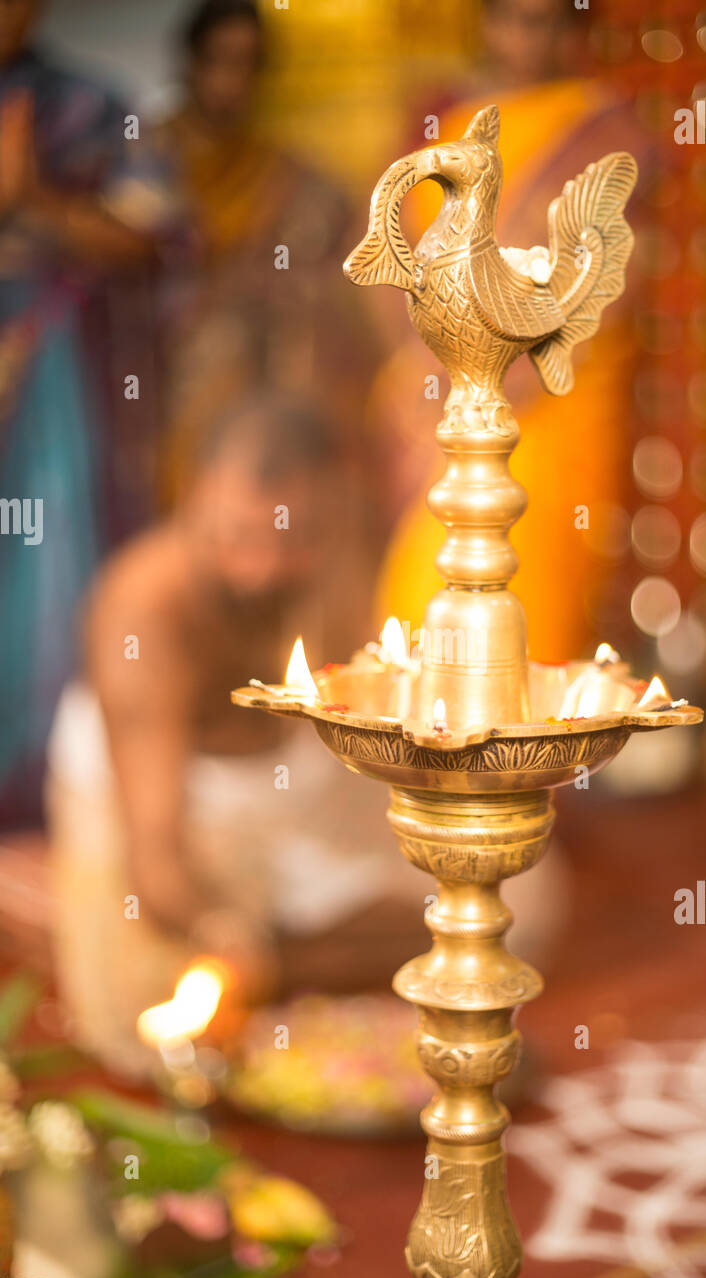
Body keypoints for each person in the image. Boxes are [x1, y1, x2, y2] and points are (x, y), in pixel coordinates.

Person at [46, 395, 427, 1077]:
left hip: (295, 798)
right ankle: (277, 968)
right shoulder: (144, 610)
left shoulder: (346, 562)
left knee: (499, 903)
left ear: (335, 511)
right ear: (194, 501)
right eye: (236, 538)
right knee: (144, 1009)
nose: (259, 570)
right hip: (165, 825)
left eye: (290, 541)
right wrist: (224, 933)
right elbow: (155, 854)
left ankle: (279, 969)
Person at [372, 0, 652, 663]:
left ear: (576, 27)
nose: (527, 37)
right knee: (421, 607)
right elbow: (387, 252)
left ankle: (526, 765)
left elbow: (609, 285)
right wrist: (416, 367)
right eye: (512, 17)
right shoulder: (438, 119)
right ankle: (430, 764)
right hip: (427, 397)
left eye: (546, 20)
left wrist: (488, 385)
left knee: (523, 605)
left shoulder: (601, 129)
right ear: (485, 21)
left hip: (548, 404)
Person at [0, 0, 174, 827]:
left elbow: (151, 236)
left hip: (44, 361)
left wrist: (33, 198)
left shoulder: (89, 105)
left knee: (43, 557)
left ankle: (37, 795)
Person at [154, 0, 377, 511]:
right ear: (189, 64)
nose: (233, 81)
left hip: (248, 397)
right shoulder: (147, 159)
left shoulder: (286, 179)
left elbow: (337, 233)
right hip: (151, 385)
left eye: (248, 64)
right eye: (220, 60)